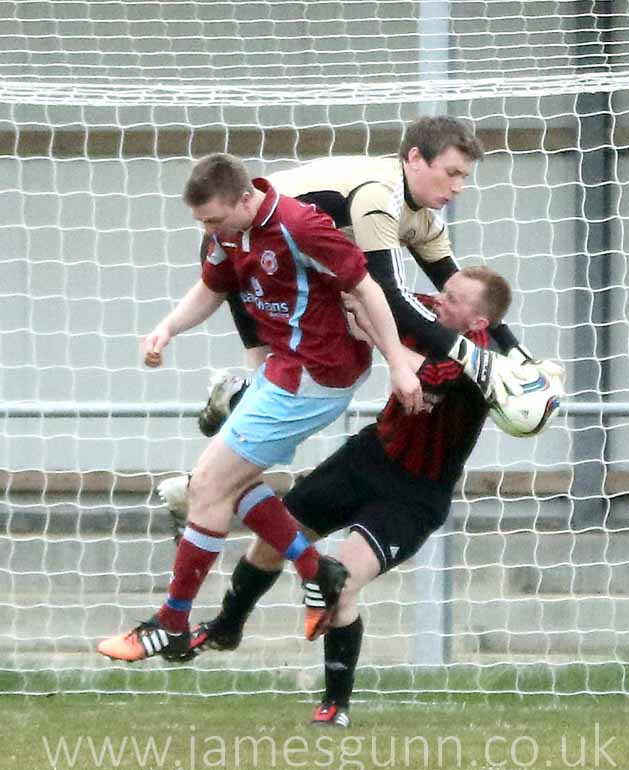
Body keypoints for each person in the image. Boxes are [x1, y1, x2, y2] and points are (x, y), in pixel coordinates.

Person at [190, 266, 565, 727]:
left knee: (341, 582)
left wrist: (369, 326)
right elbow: (384, 301)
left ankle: (335, 706)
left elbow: (410, 369)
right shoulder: (431, 314)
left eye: (453, 299)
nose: (439, 299)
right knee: (273, 536)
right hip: (365, 459)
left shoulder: (477, 365)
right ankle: (228, 626)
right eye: (443, 291)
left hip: (412, 497)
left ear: (478, 324)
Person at [97, 153, 423, 663]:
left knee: (207, 486)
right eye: (203, 222)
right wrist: (168, 328)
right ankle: (317, 569)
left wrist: (399, 364)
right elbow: (212, 287)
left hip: (316, 375)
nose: (209, 230)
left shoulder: (300, 225)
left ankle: (172, 623)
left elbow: (367, 288)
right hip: (283, 369)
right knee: (233, 480)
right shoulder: (229, 234)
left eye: (214, 219)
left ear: (246, 198)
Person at [158, 115, 539, 531]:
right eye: (451, 173)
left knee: (290, 391)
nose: (458, 186)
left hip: (295, 263)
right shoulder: (379, 196)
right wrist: (475, 362)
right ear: (414, 159)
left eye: (464, 176)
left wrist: (516, 353)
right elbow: (389, 295)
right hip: (243, 242)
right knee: (287, 385)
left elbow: (464, 293)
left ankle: (215, 454)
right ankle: (208, 480)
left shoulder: (424, 219)